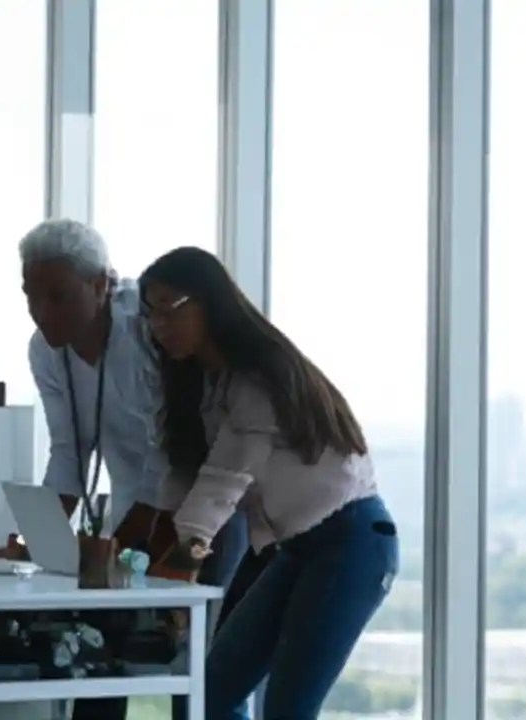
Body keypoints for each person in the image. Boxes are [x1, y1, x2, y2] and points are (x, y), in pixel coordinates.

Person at [140, 246, 399, 719]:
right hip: (294, 550)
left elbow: (222, 484)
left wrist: (181, 565)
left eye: (167, 309)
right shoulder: (207, 384)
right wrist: (153, 551)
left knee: (287, 708)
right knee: (213, 694)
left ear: (208, 302)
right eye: (149, 313)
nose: (157, 325)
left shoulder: (259, 379)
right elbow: (182, 477)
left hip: (349, 542)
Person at [20, 220, 249, 720]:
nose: (41, 313)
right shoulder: (45, 352)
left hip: (199, 516)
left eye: (57, 296)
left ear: (102, 286)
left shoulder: (145, 332)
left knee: (200, 670)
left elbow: (169, 454)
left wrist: (120, 544)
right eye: (30, 296)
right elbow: (69, 450)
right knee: (101, 661)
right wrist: (38, 538)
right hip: (133, 516)